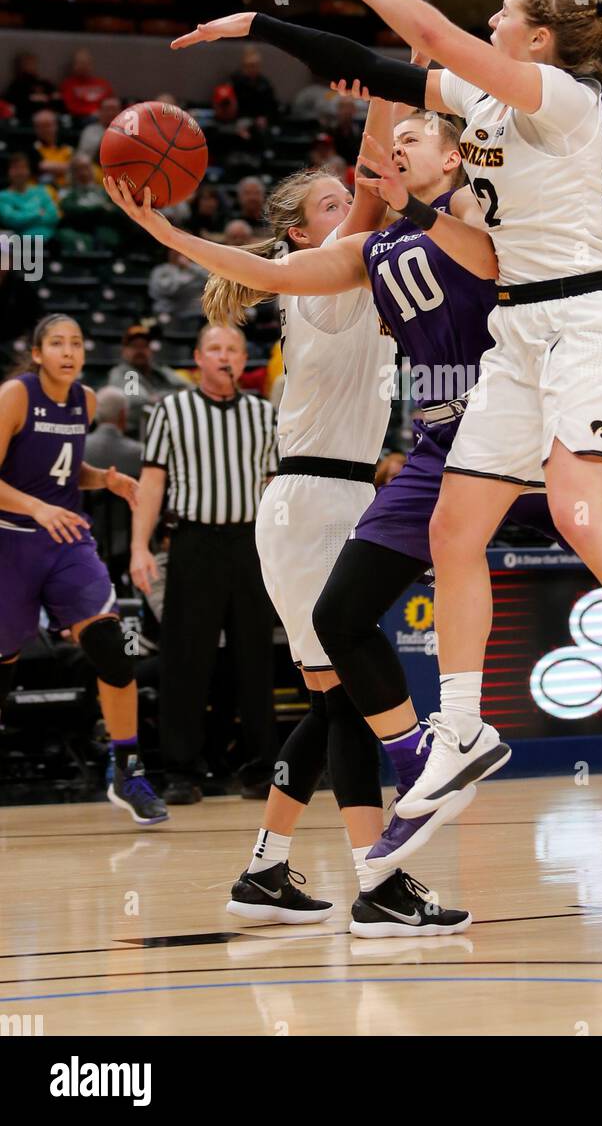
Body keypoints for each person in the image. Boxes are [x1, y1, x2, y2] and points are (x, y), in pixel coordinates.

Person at [221, 0, 602, 801]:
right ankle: (462, 730)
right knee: (453, 529)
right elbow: (371, 65)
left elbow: (427, 29)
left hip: (583, 318)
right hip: (520, 332)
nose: (493, 21)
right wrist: (260, 24)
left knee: (581, 512)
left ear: (538, 39)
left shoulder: (563, 97)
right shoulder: (485, 100)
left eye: (505, 11)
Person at [110, 146, 478, 932]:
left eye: (347, 201)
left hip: (336, 496)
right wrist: (385, 94)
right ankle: (378, 886)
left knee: (332, 704)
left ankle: (266, 870)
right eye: (328, 207)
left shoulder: (357, 273)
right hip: (311, 501)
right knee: (348, 705)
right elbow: (378, 193)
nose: (348, 209)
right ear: (295, 235)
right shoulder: (322, 286)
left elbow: (389, 208)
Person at [0, 314, 165, 824]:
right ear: (37, 353)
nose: (68, 352)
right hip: (12, 541)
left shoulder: (86, 400)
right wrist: (37, 508)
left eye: (75, 343)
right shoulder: (15, 395)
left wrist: (104, 481)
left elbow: (64, 471)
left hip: (67, 540)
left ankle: (127, 770)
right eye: (56, 343)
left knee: (111, 649)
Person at [131, 323, 281, 804]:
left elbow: (276, 486)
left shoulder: (265, 415)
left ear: (244, 360)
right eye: (214, 348)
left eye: (233, 349)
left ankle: (260, 767)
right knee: (185, 659)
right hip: (193, 543)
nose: (224, 356)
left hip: (249, 545)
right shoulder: (170, 411)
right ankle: (180, 770)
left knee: (253, 657)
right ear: (197, 357)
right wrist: (139, 547)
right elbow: (151, 483)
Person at [84, 387, 142, 588]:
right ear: (123, 416)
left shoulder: (78, 450)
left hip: (83, 541)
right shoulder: (140, 454)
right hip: (129, 546)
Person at [107, 325, 187, 439]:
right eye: (134, 346)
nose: (140, 350)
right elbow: (138, 403)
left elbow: (191, 390)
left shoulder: (159, 370)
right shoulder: (124, 373)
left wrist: (156, 397)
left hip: (163, 432)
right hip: (134, 437)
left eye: (144, 346)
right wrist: (176, 395)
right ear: (124, 351)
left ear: (151, 350)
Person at [0, 153, 58, 242]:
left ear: (29, 171)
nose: (19, 172)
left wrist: (24, 215)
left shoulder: (41, 191)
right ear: (8, 172)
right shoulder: (3, 196)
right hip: (21, 242)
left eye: (23, 167)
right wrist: (38, 214)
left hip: (49, 239)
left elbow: (53, 216)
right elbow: (12, 220)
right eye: (15, 168)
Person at [2, 51, 59, 121]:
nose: (31, 66)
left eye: (33, 63)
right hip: (26, 120)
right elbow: (13, 105)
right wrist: (32, 99)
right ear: (21, 66)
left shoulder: (45, 84)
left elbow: (56, 98)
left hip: (48, 118)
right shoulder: (16, 85)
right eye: (27, 64)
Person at [229, 45, 278, 125]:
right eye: (249, 66)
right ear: (244, 66)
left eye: (255, 66)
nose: (252, 69)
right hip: (239, 120)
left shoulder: (265, 84)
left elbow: (272, 107)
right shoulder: (236, 83)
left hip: (260, 121)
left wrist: (265, 118)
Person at [60, 49, 115, 119]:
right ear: (74, 66)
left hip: (105, 117)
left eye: (87, 63)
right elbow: (71, 107)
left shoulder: (102, 83)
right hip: (81, 119)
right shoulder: (68, 85)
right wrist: (92, 112)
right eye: (80, 63)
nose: (84, 66)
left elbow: (112, 102)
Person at [30, 109, 74, 193]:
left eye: (48, 125)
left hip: (67, 189)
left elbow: (74, 167)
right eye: (41, 126)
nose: (46, 130)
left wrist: (50, 167)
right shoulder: (32, 148)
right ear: (36, 129)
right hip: (40, 192)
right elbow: (41, 166)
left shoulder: (67, 148)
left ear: (56, 126)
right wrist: (65, 167)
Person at [77, 96, 121, 165]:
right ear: (99, 112)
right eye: (107, 109)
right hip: (93, 169)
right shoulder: (89, 131)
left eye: (114, 109)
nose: (110, 113)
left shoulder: (128, 133)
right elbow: (83, 157)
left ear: (121, 112)